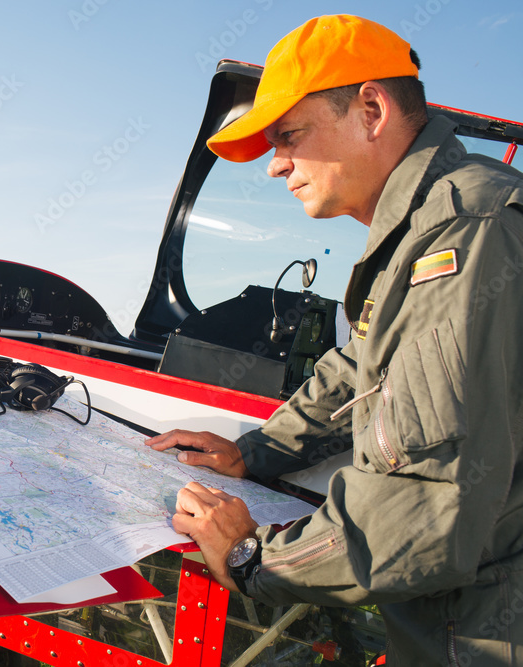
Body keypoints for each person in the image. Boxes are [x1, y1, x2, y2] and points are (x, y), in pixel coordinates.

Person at [146, 14, 523, 665]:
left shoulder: (469, 233)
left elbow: (426, 508)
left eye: (289, 135)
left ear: (372, 108)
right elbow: (365, 366)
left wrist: (250, 556)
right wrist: (254, 453)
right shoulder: (427, 228)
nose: (275, 165)